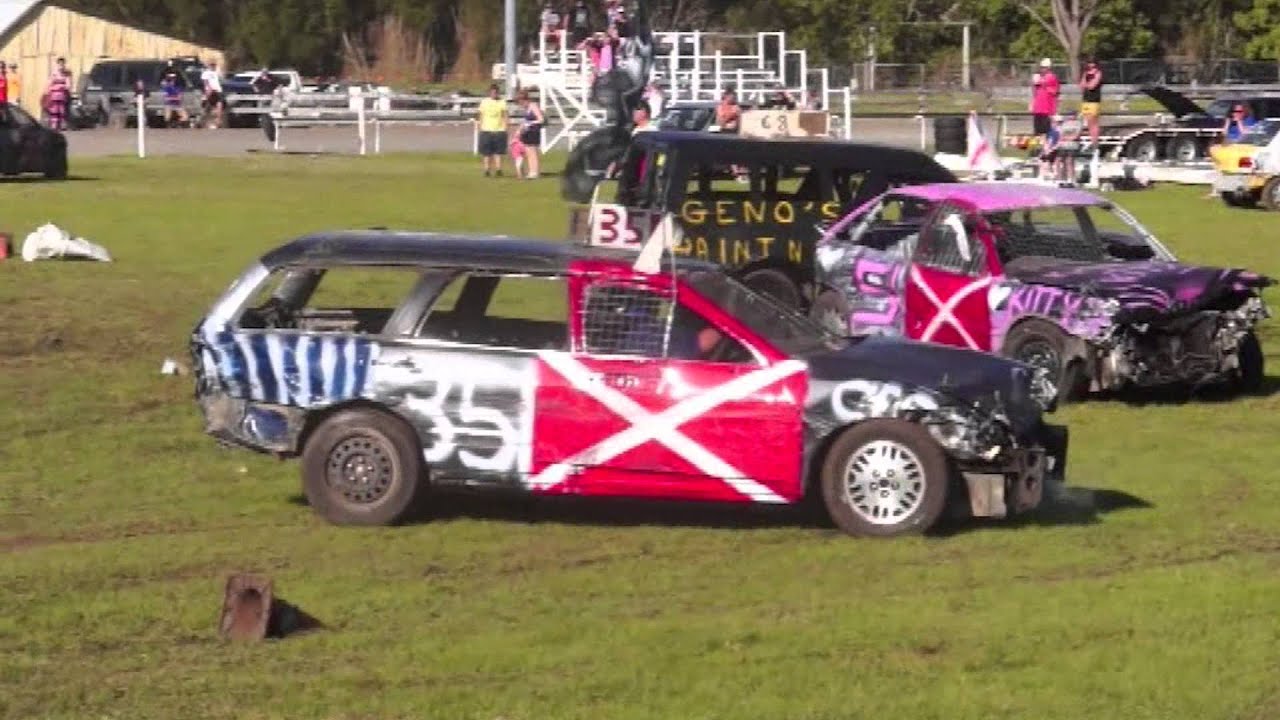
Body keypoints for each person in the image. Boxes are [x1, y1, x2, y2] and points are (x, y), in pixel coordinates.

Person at [476, 83, 509, 177]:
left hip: (499, 130)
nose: (494, 94)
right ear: (489, 93)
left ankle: (499, 169)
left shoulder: (502, 102)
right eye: (492, 92)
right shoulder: (484, 102)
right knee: (486, 152)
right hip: (486, 129)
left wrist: (506, 127)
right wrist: (480, 126)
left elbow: (505, 115)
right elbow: (481, 115)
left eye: (495, 92)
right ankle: (487, 170)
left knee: (498, 152)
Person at [515, 90, 545, 179]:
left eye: (521, 102)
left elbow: (541, 119)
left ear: (525, 99)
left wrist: (530, 123)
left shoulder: (533, 106)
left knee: (533, 151)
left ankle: (535, 171)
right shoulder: (526, 108)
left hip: (534, 131)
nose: (521, 105)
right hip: (528, 132)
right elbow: (525, 121)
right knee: (528, 151)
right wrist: (519, 130)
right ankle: (531, 171)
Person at [1030, 58, 1060, 144]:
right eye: (1041, 67)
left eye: (1044, 67)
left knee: (1045, 131)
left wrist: (1039, 81)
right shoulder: (1039, 77)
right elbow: (1035, 91)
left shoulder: (1051, 77)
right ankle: (1039, 149)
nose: (1042, 69)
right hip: (1038, 108)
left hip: (1046, 109)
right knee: (1037, 131)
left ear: (1049, 68)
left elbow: (1054, 91)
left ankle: (1046, 148)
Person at [1078, 57, 1103, 147]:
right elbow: (1081, 85)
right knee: (1087, 122)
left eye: (1092, 63)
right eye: (1089, 63)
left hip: (1094, 100)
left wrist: (1087, 85)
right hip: (1086, 100)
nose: (1090, 65)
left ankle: (1095, 142)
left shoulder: (1098, 73)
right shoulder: (1085, 73)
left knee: (1093, 122)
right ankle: (1090, 140)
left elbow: (1092, 86)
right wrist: (1085, 76)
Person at [44, 58, 71, 131]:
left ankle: (62, 124)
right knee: (54, 110)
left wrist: (62, 86)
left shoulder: (66, 74)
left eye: (62, 64)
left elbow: (68, 85)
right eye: (60, 64)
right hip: (54, 95)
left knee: (62, 110)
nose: (61, 66)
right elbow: (49, 84)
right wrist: (47, 92)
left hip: (62, 95)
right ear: (57, 64)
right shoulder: (54, 73)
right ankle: (54, 125)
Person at [201, 59, 224, 129]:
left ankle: (218, 121)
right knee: (209, 107)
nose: (213, 66)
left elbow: (219, 81)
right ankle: (206, 122)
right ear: (209, 66)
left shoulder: (217, 72)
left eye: (214, 65)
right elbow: (206, 83)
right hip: (211, 91)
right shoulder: (206, 73)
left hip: (218, 90)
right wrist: (207, 92)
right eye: (212, 65)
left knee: (219, 105)